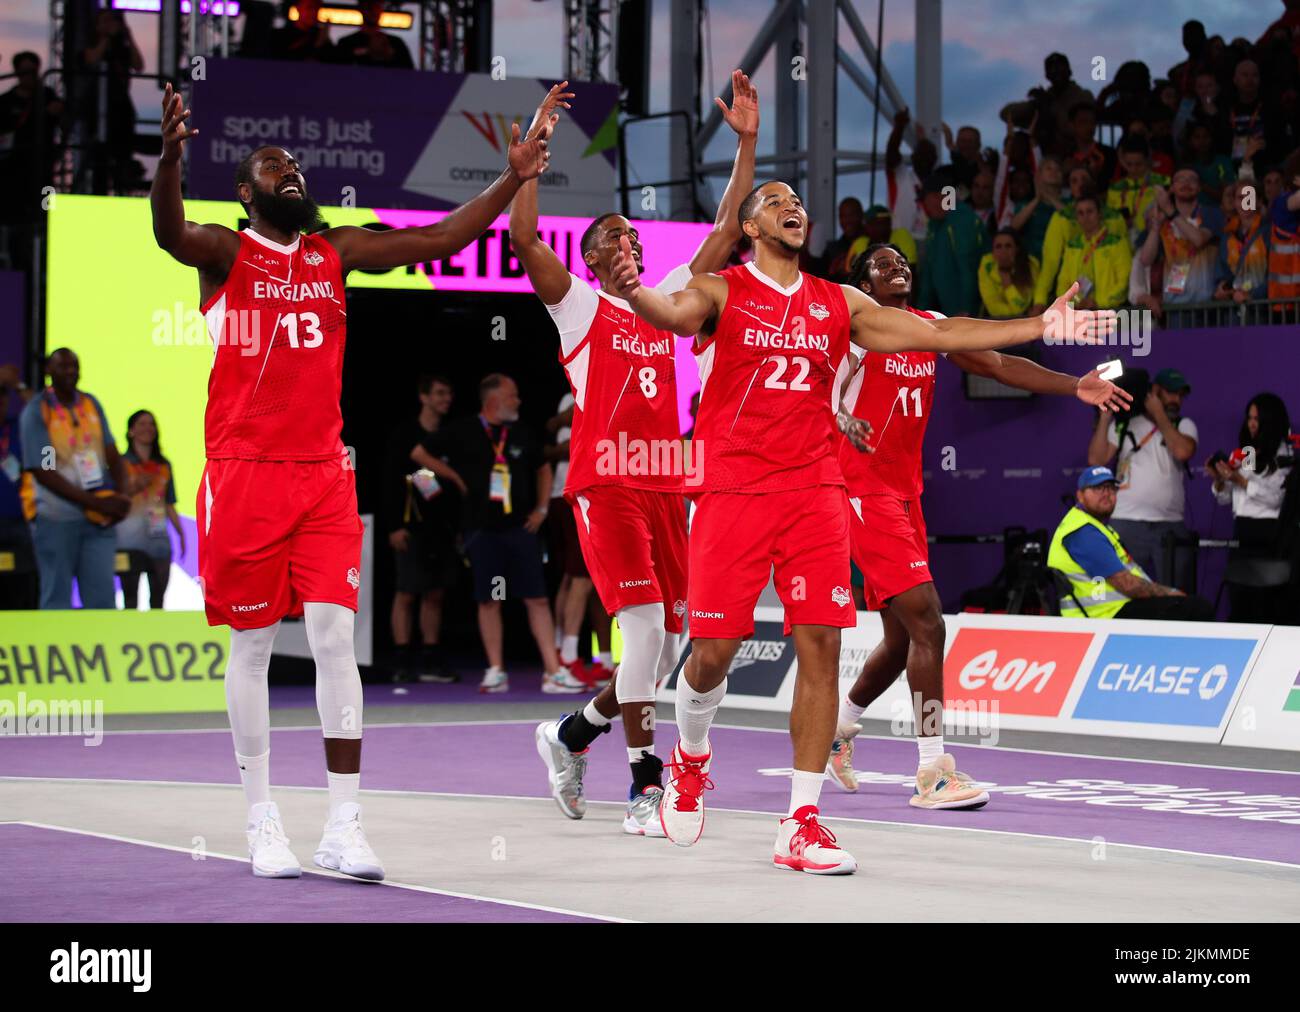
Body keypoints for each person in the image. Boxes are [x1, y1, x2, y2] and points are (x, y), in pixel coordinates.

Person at [607, 177, 1112, 872]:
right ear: (752, 227)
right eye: (775, 200)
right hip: (746, 491)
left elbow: (949, 336)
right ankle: (691, 757)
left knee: (827, 641)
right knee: (714, 653)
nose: (792, 206)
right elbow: (670, 312)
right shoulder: (724, 289)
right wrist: (632, 290)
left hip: (819, 489)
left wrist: (1037, 325)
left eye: (798, 200)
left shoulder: (838, 304)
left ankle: (802, 820)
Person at [149, 79, 560, 880]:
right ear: (247, 192)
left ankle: (344, 824)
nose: (291, 170)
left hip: (323, 476)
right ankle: (261, 818)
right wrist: (169, 158)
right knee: (255, 644)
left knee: (336, 635)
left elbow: (440, 238)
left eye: (296, 164)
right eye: (275, 165)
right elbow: (167, 230)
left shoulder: (335, 251)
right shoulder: (226, 253)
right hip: (244, 474)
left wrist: (512, 178)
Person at [511, 70, 756, 836]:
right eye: (612, 237)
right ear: (589, 260)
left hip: (665, 489)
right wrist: (535, 153)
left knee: (670, 643)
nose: (628, 243)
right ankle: (646, 783)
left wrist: (746, 140)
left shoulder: (672, 301)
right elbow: (521, 238)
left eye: (633, 236)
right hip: (606, 484)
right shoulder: (580, 308)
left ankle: (572, 733)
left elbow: (727, 227)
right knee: (646, 633)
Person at [827, 244, 1127, 799]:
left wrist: (1072, 385)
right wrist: (840, 419)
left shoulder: (931, 327)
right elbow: (816, 397)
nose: (899, 267)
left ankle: (838, 732)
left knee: (900, 640)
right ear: (859, 282)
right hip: (861, 492)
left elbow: (998, 362)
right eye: (883, 263)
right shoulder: (851, 330)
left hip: (907, 496)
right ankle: (933, 768)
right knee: (929, 622)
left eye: (903, 262)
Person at [435, 373, 582, 695]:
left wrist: (542, 509)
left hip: (520, 528)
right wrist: (453, 481)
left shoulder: (521, 433)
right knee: (488, 601)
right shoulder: (463, 431)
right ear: (494, 401)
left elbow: (543, 466)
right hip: (481, 530)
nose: (518, 401)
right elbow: (419, 456)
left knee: (538, 598)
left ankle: (553, 672)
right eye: (513, 396)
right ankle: (496, 670)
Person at [18, 349, 130, 610]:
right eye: (63, 367)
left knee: (102, 600)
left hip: (99, 521)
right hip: (57, 519)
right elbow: (44, 472)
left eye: (75, 366)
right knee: (57, 597)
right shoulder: (38, 412)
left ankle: (100, 650)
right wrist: (95, 503)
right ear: (48, 370)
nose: (71, 372)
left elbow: (112, 453)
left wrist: (122, 496)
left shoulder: (90, 404)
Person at [1049, 466, 1214, 620]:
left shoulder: (1094, 526)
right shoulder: (1083, 531)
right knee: (1197, 608)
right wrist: (1170, 593)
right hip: (1104, 616)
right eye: (1098, 488)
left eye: (1111, 488)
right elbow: (1127, 585)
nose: (1106, 494)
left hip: (1114, 609)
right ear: (1080, 495)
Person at [1087, 368, 1198, 590]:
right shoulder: (1124, 423)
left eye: (1180, 395)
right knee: (1125, 589)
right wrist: (1105, 417)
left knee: (1174, 592)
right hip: (1126, 521)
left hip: (1169, 524)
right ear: (1153, 391)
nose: (1176, 400)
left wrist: (1159, 415)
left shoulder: (1183, 425)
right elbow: (1096, 461)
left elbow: (1183, 451)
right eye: (1170, 393)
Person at [384, 374, 462, 684]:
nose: (446, 399)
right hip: (410, 528)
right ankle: (402, 659)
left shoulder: (449, 435)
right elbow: (390, 482)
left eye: (449, 393)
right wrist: (394, 526)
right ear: (424, 396)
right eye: (440, 393)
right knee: (406, 592)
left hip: (441, 528)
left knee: (435, 593)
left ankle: (431, 657)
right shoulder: (405, 435)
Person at [543, 392, 614, 690]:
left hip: (599, 491)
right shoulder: (578, 390)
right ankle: (567, 657)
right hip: (574, 495)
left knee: (597, 582)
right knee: (579, 577)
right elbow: (563, 436)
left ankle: (606, 660)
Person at [1207, 393, 1294, 624]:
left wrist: (1240, 481)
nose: (1252, 423)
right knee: (1240, 598)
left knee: (1268, 601)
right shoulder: (1249, 452)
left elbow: (1276, 498)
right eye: (1249, 418)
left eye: (1257, 418)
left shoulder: (1285, 454)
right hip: (1242, 531)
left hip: (1269, 534)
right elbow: (1233, 498)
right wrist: (1220, 480)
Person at [116, 410, 184, 611]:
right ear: (131, 431)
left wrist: (181, 533)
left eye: (151, 424)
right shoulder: (121, 463)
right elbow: (113, 498)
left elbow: (169, 502)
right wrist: (134, 487)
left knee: (158, 601)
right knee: (130, 600)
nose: (148, 428)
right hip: (128, 538)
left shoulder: (163, 465)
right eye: (141, 424)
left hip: (158, 537)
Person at [1137, 167, 1224, 314]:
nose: (1186, 183)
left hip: (1207, 305)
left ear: (1200, 187)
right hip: (1174, 305)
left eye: (1192, 179)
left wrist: (1170, 210)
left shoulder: (1211, 213)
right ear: (1172, 187)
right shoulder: (1164, 220)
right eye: (1180, 179)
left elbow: (1198, 240)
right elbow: (1146, 259)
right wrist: (1156, 227)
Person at [78, 8, 144, 194]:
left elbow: (138, 65)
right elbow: (91, 59)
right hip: (95, 108)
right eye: (104, 21)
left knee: (122, 154)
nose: (108, 25)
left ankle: (122, 188)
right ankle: (96, 191)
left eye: (111, 21)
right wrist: (105, 38)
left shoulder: (122, 46)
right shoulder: (88, 44)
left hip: (121, 107)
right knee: (97, 154)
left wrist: (127, 35)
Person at [915, 173, 989, 316]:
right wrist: (919, 313)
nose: (924, 207)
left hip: (972, 315)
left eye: (925, 200)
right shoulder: (935, 225)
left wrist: (967, 309)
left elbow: (968, 268)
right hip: (950, 314)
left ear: (938, 197)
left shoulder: (962, 220)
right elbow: (928, 276)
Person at [1053, 193, 1133, 310]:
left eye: (1090, 211)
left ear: (1099, 214)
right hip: (1078, 314)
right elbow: (1063, 283)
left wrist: (1099, 302)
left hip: (1110, 313)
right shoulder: (1072, 246)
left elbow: (1124, 282)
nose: (1085, 217)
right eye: (1080, 213)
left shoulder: (1117, 243)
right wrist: (1075, 304)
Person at [0, 373, 38, 609]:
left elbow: (43, 413)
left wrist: (18, 385)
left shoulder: (18, 427)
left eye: (2, 397)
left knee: (26, 584)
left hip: (21, 521)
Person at [884, 107, 940, 244]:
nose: (924, 159)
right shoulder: (901, 176)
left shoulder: (945, 185)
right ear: (913, 158)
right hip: (901, 246)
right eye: (920, 154)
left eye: (928, 155)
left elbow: (952, 217)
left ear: (935, 160)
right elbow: (891, 153)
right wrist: (899, 127)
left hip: (932, 247)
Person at [1214, 178, 1271, 303]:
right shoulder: (1228, 236)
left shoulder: (1269, 232)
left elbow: (1275, 273)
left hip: (1262, 309)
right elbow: (1224, 272)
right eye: (1240, 198)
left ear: (1259, 202)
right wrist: (1222, 287)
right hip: (1234, 309)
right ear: (1234, 202)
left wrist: (1253, 296)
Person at [1007, 155, 1065, 260]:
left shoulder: (1069, 203)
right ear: (1038, 175)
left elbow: (1072, 219)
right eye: (1048, 168)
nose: (1054, 172)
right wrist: (1037, 199)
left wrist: (1050, 198)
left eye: (1058, 169)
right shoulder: (1025, 204)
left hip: (1061, 262)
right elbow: (1013, 227)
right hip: (1032, 263)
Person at [334, 0, 415, 69]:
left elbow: (409, 76)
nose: (373, 9)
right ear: (361, 8)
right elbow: (336, 73)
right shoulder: (346, 44)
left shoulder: (397, 44)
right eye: (369, 5)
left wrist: (391, 56)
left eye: (377, 5)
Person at [978, 228, 1039, 318]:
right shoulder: (986, 264)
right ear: (993, 252)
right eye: (998, 246)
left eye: (1008, 246)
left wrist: (1007, 283)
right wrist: (1013, 312)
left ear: (1016, 249)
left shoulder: (1030, 265)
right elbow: (993, 308)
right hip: (995, 321)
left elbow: (1021, 307)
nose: (1003, 251)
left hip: (1024, 320)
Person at [1266, 151, 1300, 310]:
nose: (1271, 186)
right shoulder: (1281, 204)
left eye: (1276, 181)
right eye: (1268, 182)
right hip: (1288, 305)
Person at [844, 204, 917, 273]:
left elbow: (910, 268)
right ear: (867, 226)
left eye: (886, 221)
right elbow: (850, 272)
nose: (882, 227)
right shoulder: (859, 243)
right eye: (877, 223)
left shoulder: (901, 235)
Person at [267, 0, 335, 62]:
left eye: (317, 8)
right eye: (309, 8)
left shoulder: (322, 36)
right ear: (298, 8)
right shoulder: (278, 37)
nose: (314, 12)